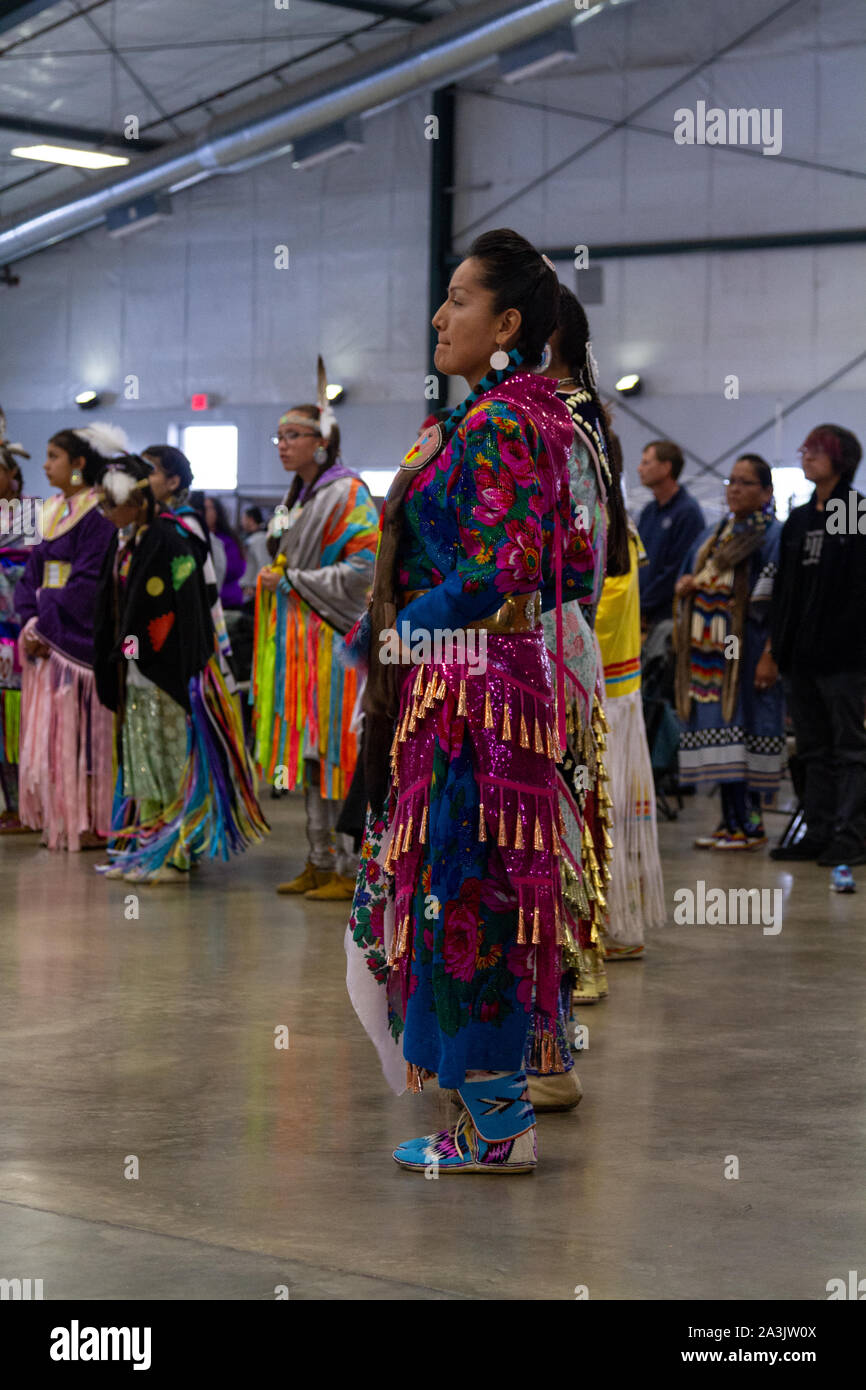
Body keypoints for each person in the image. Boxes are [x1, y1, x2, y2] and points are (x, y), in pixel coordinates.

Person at [345, 229, 594, 1174]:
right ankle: (496, 1115)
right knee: (478, 891)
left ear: (509, 323)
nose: (440, 316)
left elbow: (506, 566)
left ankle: (496, 1128)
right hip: (496, 682)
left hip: (471, 693)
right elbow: (565, 560)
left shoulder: (497, 422)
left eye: (459, 299)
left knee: (463, 894)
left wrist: (412, 623)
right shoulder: (536, 414)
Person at [92, 455, 267, 884]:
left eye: (108, 505)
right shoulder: (133, 539)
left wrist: (134, 651)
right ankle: (147, 850)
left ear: (133, 501)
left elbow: (181, 611)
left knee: (170, 763)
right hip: (138, 673)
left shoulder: (170, 537)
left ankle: (176, 855)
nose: (104, 514)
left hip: (166, 674)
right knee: (143, 762)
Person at [252, 366, 378, 901]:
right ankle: (318, 858)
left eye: (293, 435)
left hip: (334, 647)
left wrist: (294, 581)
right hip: (295, 647)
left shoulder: (347, 492)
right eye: (279, 436)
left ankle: (350, 865)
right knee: (306, 750)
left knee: (336, 749)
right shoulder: (299, 499)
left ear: (322, 443)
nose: (283, 445)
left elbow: (365, 569)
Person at [14, 424, 120, 850]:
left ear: (79, 464)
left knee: (86, 736)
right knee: (54, 736)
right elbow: (29, 576)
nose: (45, 464)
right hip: (46, 636)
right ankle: (61, 816)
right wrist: (29, 620)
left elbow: (91, 584)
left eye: (54, 456)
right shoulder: (52, 510)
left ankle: (94, 821)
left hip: (79, 645)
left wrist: (44, 621)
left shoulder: (100, 514)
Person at [674, 455, 784, 849]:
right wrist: (686, 584)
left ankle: (751, 825)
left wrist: (771, 654)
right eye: (731, 481)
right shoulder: (715, 534)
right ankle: (729, 823)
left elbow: (778, 605)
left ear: (766, 492)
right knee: (722, 733)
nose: (735, 488)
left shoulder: (773, 537)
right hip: (711, 658)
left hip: (749, 653)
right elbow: (690, 573)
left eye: (746, 482)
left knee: (747, 733)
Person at [769, 424, 866, 868]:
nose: (805, 455)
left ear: (840, 459)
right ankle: (819, 830)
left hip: (844, 659)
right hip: (800, 657)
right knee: (812, 750)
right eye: (804, 449)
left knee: (849, 749)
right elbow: (785, 590)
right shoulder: (800, 518)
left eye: (815, 450)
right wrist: (778, 647)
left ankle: (852, 835)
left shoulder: (855, 512)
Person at [594, 462, 665, 956]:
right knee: (608, 808)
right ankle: (613, 923)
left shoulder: (611, 530)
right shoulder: (616, 526)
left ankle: (615, 924)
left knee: (608, 809)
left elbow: (599, 608)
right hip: (613, 689)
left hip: (608, 694)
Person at [143, 448, 236, 688]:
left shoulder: (186, 526)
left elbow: (198, 591)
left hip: (179, 639)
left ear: (173, 482)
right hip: (142, 633)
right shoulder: (141, 527)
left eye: (149, 471)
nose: (140, 478)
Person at [637, 439, 705, 628]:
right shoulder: (649, 512)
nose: (639, 469)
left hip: (667, 617)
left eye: (646, 462)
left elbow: (676, 569)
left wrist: (642, 606)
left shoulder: (687, 513)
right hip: (641, 613)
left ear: (666, 467)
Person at [0, 420, 31, 833]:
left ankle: (25, 807)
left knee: (17, 725)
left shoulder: (30, 514)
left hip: (16, 635)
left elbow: (31, 575)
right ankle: (9, 806)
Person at [204, 496, 245, 611]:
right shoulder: (198, 537)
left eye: (208, 508)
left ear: (218, 512)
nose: (203, 512)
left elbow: (236, 569)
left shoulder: (226, 540)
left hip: (226, 602)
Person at [240, 506, 270, 600]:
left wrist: (254, 587)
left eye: (244, 518)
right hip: (249, 590)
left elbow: (263, 564)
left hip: (253, 591)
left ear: (251, 519)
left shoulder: (260, 539)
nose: (242, 522)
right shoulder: (253, 538)